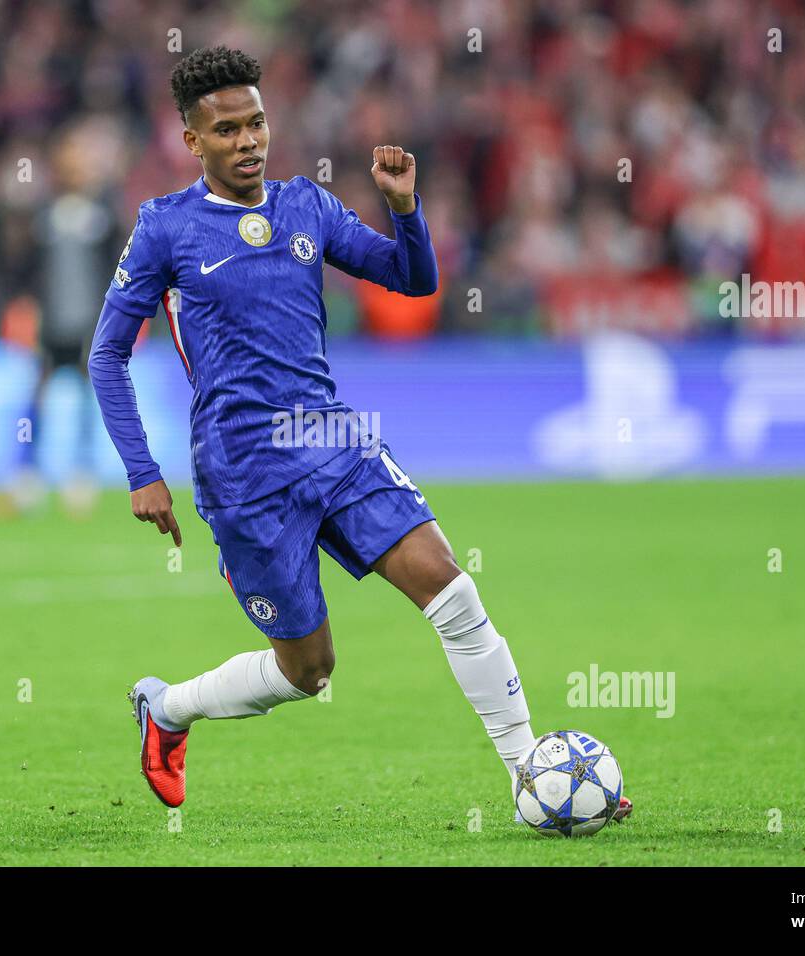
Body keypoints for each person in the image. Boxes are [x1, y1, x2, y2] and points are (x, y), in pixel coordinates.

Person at [88, 45, 630, 826]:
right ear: (193, 142)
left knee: (452, 588)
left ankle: (528, 779)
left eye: (257, 123)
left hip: (332, 441)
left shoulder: (307, 206)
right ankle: (169, 709)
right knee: (309, 670)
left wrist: (405, 210)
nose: (248, 141)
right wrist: (142, 472)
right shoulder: (164, 229)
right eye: (228, 130)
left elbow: (413, 281)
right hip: (242, 474)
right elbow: (107, 354)